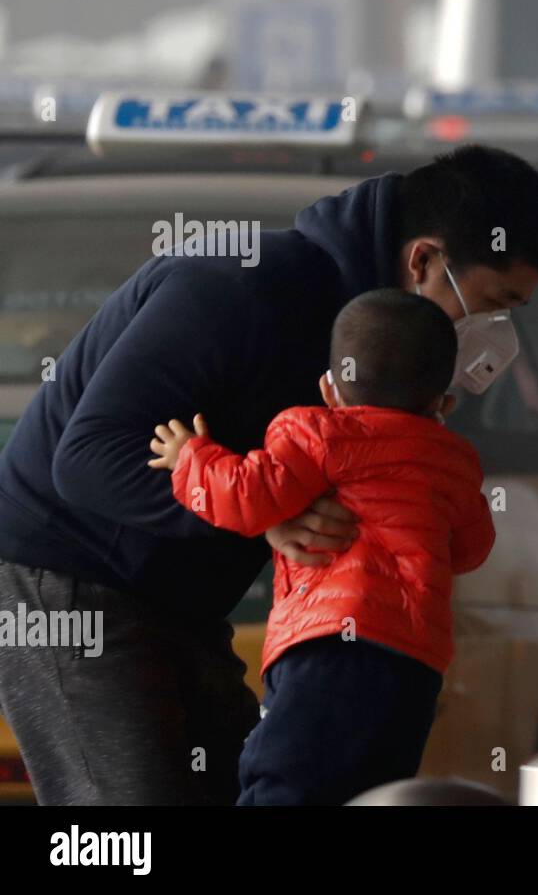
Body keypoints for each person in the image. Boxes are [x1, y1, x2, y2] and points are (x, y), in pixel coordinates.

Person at [0, 145, 538, 804]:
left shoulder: (384, 362)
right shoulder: (242, 291)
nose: (491, 331)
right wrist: (268, 512)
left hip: (183, 599)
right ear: (423, 261)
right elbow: (87, 458)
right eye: (494, 303)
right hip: (70, 578)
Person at [148, 289, 494, 805]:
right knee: (376, 792)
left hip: (329, 644)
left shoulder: (317, 433)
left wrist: (190, 458)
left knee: (286, 778)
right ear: (443, 401)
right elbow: (470, 548)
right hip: (414, 664)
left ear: (330, 390)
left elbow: (247, 496)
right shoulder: (455, 461)